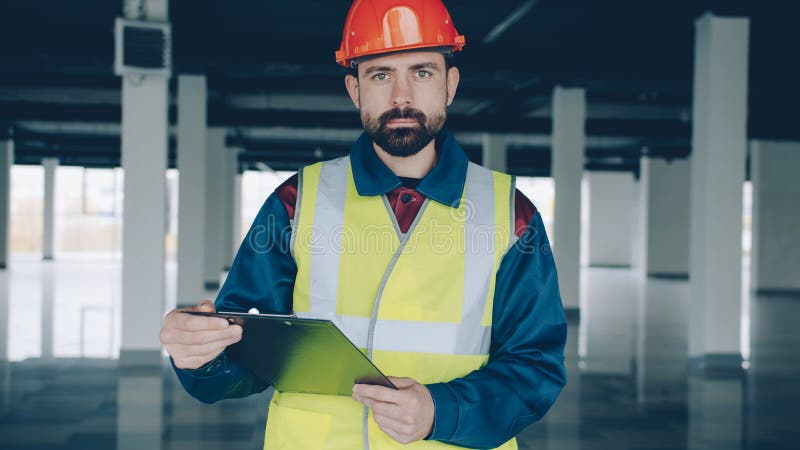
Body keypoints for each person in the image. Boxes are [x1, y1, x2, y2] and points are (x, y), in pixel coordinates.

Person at [159, 0, 567, 448]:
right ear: (355, 90)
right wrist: (200, 355)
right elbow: (244, 354)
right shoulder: (295, 203)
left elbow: (535, 366)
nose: (401, 96)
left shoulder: (512, 215)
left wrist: (441, 410)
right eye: (380, 74)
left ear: (450, 84)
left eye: (422, 72)